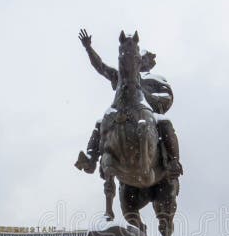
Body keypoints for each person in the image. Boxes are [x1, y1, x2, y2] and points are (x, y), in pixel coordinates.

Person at [75, 29, 183, 179]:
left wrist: (148, 97)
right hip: (122, 109)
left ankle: (173, 162)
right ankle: (91, 159)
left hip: (148, 110)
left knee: (165, 123)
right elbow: (101, 67)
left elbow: (167, 96)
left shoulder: (156, 79)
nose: (141, 61)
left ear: (148, 62)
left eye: (144, 58)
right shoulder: (121, 76)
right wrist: (88, 48)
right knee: (101, 123)